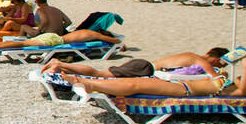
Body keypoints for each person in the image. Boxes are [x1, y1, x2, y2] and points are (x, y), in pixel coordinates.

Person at [63, 57, 246, 99]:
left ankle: (89, 84)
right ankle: (92, 85)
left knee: (135, 84)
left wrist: (243, 57)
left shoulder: (240, 91)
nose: (242, 75)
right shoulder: (226, 82)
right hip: (177, 84)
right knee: (136, 83)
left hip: (184, 90)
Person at [42, 48, 229, 80]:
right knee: (99, 74)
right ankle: (60, 64)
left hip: (144, 64)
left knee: (101, 73)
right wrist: (222, 74)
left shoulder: (191, 55)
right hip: (144, 69)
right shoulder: (203, 61)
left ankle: (62, 65)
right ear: (215, 57)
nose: (219, 66)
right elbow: (214, 78)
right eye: (220, 62)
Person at [0, 27, 119, 61]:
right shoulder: (95, 35)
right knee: (24, 44)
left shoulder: (86, 31)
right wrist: (120, 44)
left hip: (54, 35)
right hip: (56, 41)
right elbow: (115, 41)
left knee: (24, 42)